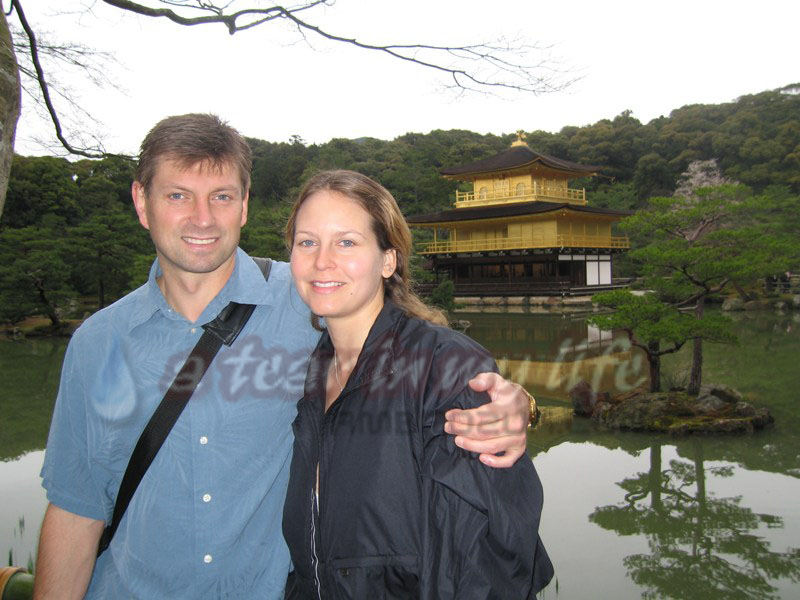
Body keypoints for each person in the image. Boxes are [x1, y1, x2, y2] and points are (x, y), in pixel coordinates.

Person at [34, 114, 535, 599]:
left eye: (221, 196)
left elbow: (410, 350)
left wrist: (510, 401)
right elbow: (77, 508)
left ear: (244, 205)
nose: (202, 217)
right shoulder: (97, 343)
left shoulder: (306, 301)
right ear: (142, 203)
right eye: (178, 195)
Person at [282, 170, 553, 598]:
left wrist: (528, 405)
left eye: (347, 242)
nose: (322, 261)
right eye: (307, 242)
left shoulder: (446, 369)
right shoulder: (318, 367)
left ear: (388, 260)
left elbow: (480, 569)